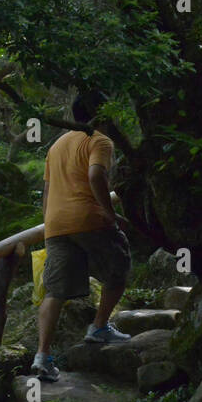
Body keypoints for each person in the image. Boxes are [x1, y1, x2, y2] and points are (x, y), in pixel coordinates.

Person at [32, 93, 132, 383]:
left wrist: (49, 223)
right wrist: (111, 214)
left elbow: (47, 192)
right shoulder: (99, 139)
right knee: (118, 269)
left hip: (55, 223)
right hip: (89, 218)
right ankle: (99, 327)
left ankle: (42, 356)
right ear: (100, 115)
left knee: (55, 292)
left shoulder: (56, 145)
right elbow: (95, 176)